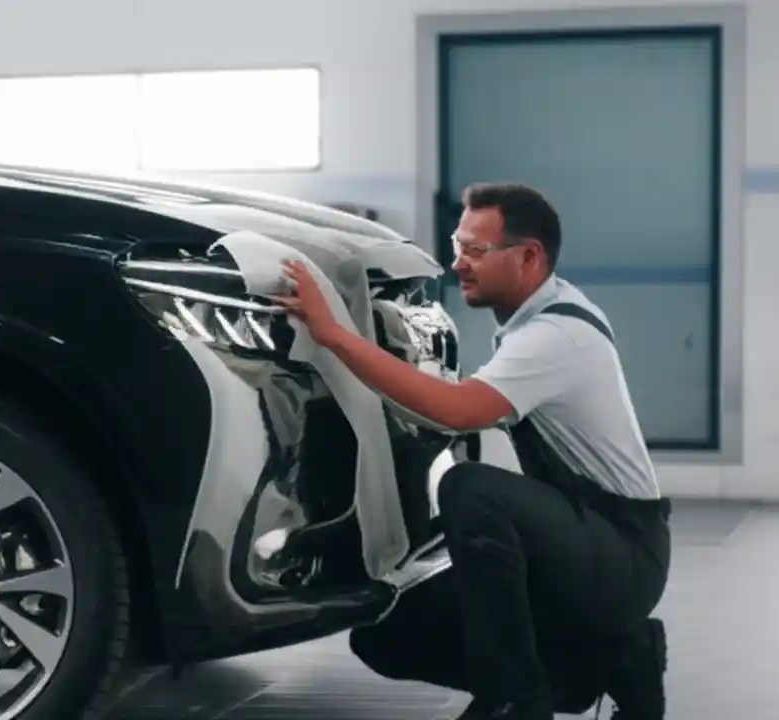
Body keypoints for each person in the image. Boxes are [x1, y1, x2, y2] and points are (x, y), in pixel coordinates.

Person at [273, 182, 672, 720]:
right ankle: (613, 663)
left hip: (624, 553)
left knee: (473, 491)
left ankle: (517, 700)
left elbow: (457, 411)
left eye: (475, 251)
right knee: (389, 635)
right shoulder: (539, 315)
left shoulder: (556, 335)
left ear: (529, 256)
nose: (458, 263)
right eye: (458, 246)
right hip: (586, 536)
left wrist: (334, 335)